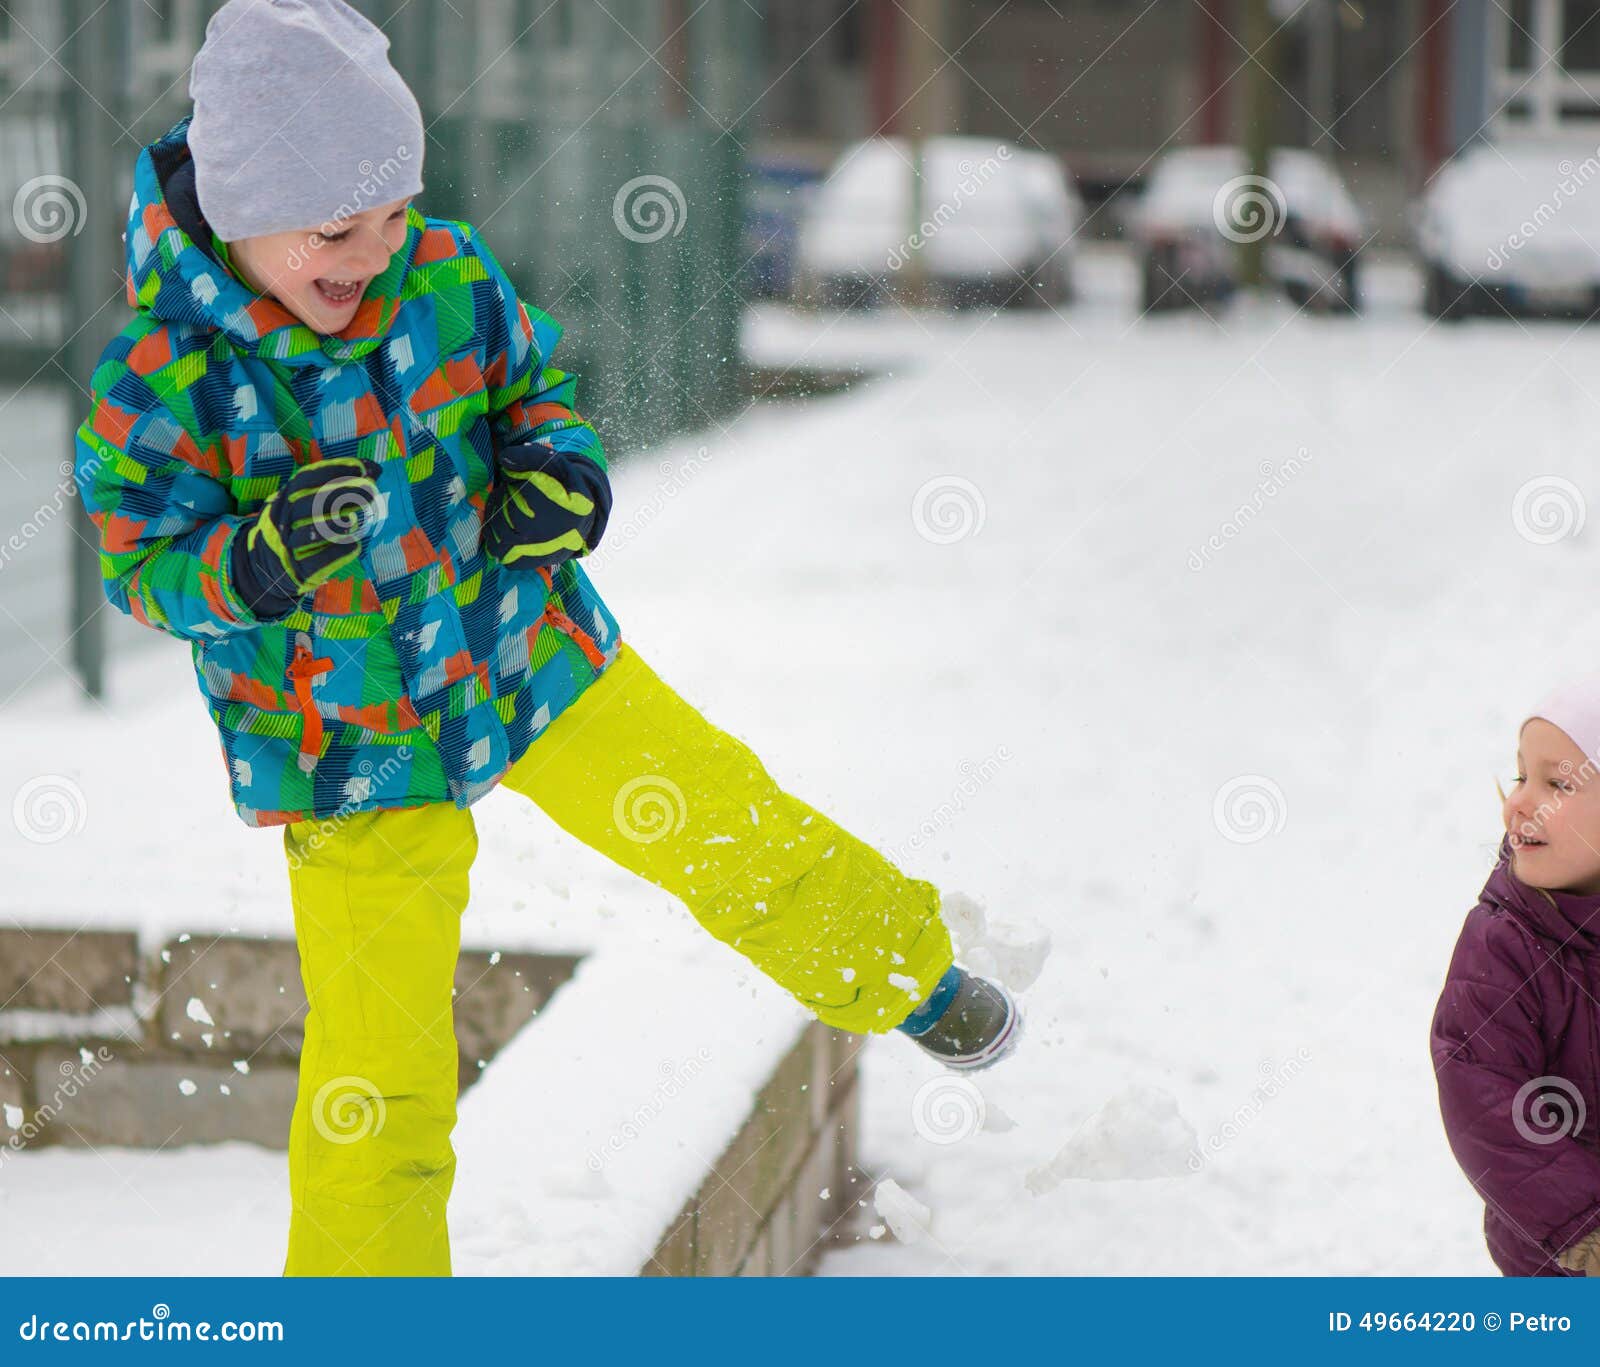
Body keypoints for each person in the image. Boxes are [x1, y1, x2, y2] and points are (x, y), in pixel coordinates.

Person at [72, 0, 1021, 1278]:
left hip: (525, 650)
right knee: (378, 1074)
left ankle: (906, 971)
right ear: (239, 209)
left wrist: (560, 473)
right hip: (346, 742)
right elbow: (137, 559)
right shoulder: (165, 376)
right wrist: (250, 562)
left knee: (721, 815)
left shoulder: (445, 277)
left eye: (393, 214)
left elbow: (533, 396)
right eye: (335, 232)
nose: (373, 253)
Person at [1432, 676, 1600, 1276]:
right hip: (1565, 1262)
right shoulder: (1505, 942)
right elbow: (1483, 1093)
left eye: (1556, 783)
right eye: (1522, 775)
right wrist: (1586, 1226)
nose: (1520, 801)